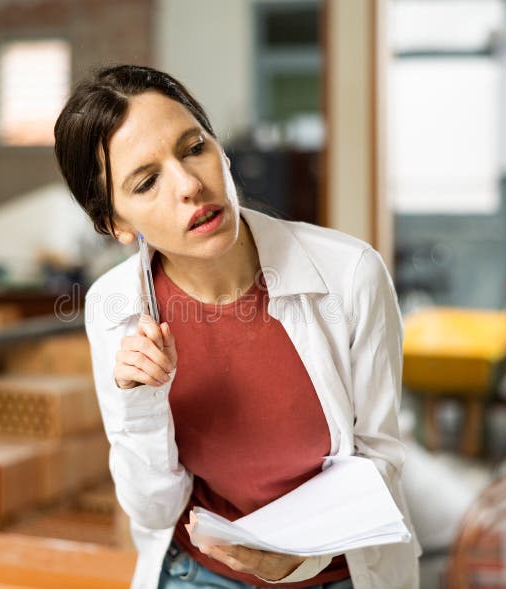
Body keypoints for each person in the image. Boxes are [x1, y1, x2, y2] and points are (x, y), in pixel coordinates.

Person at [54, 64, 420, 589]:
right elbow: (154, 512)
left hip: (338, 573)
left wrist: (296, 559)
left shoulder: (350, 275)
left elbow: (379, 462)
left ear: (220, 149)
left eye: (193, 147)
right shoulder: (115, 306)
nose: (189, 185)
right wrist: (141, 404)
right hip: (198, 574)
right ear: (116, 224)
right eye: (148, 181)